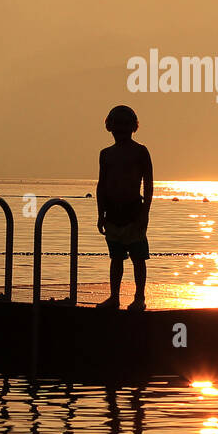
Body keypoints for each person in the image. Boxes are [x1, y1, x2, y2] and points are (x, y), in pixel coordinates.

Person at [96, 105, 152, 310]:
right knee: (116, 258)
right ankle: (114, 297)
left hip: (134, 212)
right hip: (112, 213)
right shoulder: (106, 154)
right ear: (109, 126)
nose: (120, 129)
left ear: (133, 127)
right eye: (116, 124)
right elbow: (102, 185)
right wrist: (100, 213)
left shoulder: (140, 151)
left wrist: (145, 213)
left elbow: (148, 184)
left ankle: (139, 298)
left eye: (124, 124)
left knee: (138, 257)